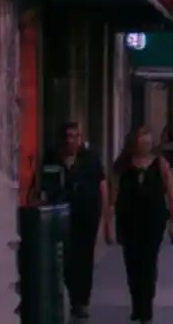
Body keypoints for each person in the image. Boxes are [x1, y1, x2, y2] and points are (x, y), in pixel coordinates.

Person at [110, 127, 173, 324]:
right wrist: (108, 223)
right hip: (128, 222)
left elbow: (171, 193)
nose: (146, 145)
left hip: (153, 221)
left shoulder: (160, 164)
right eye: (143, 142)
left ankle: (146, 309)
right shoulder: (123, 166)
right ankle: (136, 304)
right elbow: (112, 196)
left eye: (149, 142)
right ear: (134, 143)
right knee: (132, 265)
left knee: (148, 264)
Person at [44, 122, 112, 320]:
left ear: (80, 138)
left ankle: (81, 301)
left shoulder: (90, 158)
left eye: (75, 136)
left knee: (84, 257)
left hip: (87, 214)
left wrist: (106, 217)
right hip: (61, 213)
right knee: (65, 256)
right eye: (67, 136)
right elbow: (44, 182)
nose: (71, 140)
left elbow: (102, 185)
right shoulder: (53, 157)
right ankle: (68, 294)